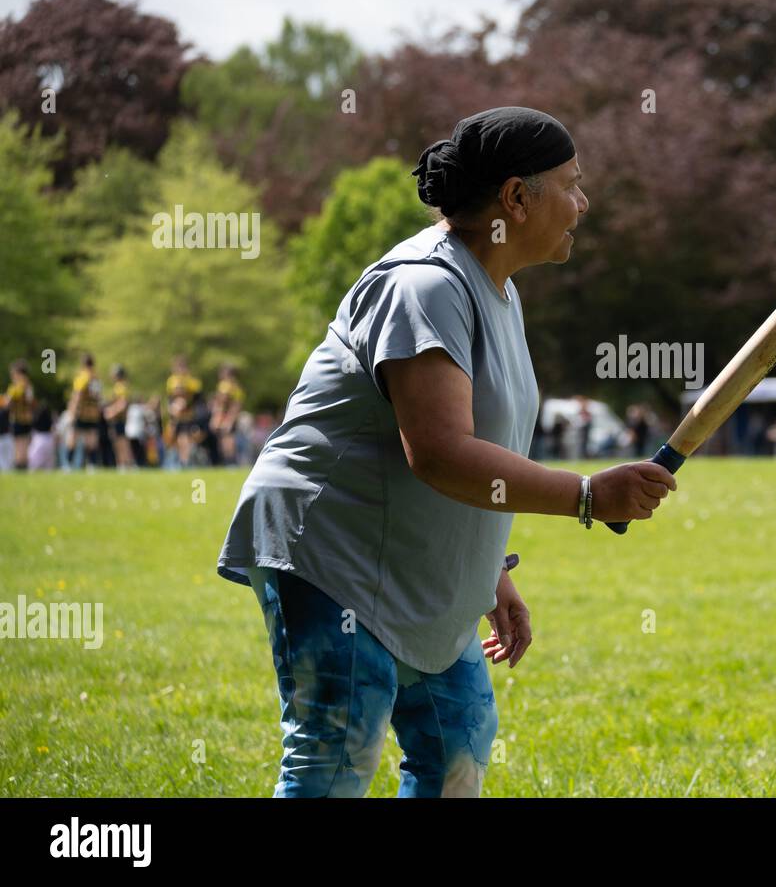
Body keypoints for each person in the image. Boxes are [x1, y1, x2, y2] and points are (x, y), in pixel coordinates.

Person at [216, 106, 677, 798]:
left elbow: (475, 451)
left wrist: (490, 572)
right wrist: (586, 495)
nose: (583, 203)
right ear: (517, 198)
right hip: (332, 553)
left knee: (456, 748)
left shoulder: (498, 290)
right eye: (572, 184)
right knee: (336, 759)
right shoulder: (425, 284)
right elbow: (438, 452)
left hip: (416, 566)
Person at [66, 354, 103, 469]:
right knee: (91, 438)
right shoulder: (96, 378)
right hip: (93, 413)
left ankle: (68, 464)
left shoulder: (82, 377)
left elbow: (78, 395)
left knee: (73, 437)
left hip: (81, 412)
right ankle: (91, 464)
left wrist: (72, 412)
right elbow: (98, 397)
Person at [165, 357, 203, 467]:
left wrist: (184, 404)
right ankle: (180, 461)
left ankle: (185, 461)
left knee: (184, 438)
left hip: (187, 415)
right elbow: (170, 398)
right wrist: (172, 408)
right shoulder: (171, 381)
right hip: (175, 415)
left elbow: (196, 399)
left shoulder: (192, 382)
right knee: (173, 438)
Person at [4, 360, 37, 471]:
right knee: (25, 444)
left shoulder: (15, 387)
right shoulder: (29, 387)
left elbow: (7, 403)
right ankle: (24, 467)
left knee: (18, 445)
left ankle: (19, 467)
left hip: (17, 419)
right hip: (27, 419)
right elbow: (31, 402)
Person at [211, 364, 245, 466]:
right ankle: (231, 462)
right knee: (228, 438)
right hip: (233, 416)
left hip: (226, 415)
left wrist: (217, 417)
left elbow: (222, 402)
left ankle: (229, 462)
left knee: (227, 439)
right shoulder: (237, 386)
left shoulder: (225, 385)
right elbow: (239, 404)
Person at [103, 365, 134, 470]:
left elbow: (123, 404)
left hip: (119, 419)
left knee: (121, 442)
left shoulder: (120, 387)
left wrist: (111, 412)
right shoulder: (121, 386)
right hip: (119, 419)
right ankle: (123, 464)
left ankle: (125, 464)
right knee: (120, 441)